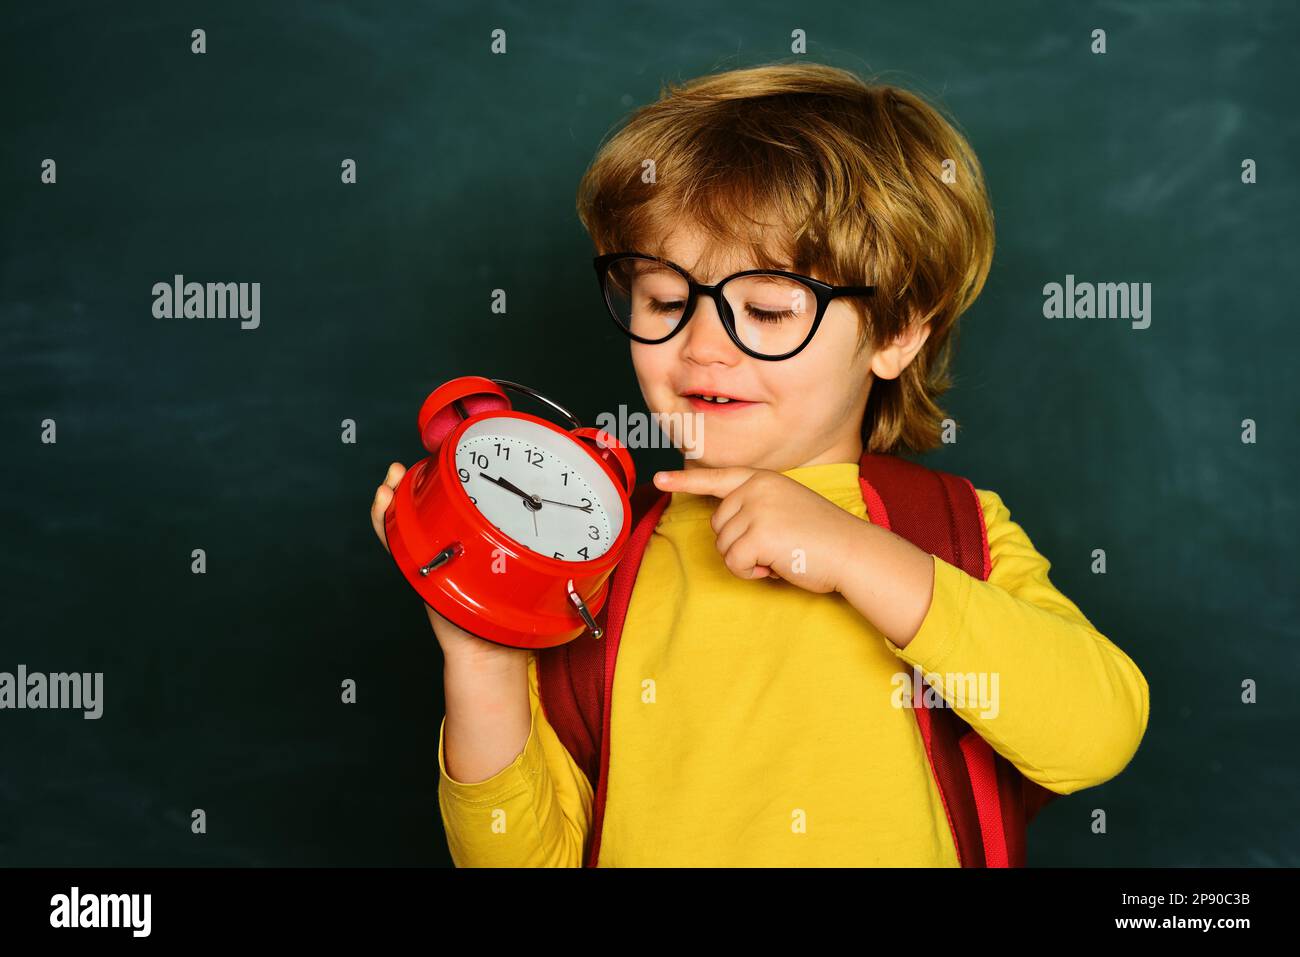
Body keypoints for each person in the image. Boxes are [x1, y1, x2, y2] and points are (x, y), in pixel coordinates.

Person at [369, 61, 1149, 867]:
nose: (703, 346)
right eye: (666, 301)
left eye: (769, 308)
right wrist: (485, 662)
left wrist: (854, 552)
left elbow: (1097, 733)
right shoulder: (597, 574)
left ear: (896, 334)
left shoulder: (955, 532)